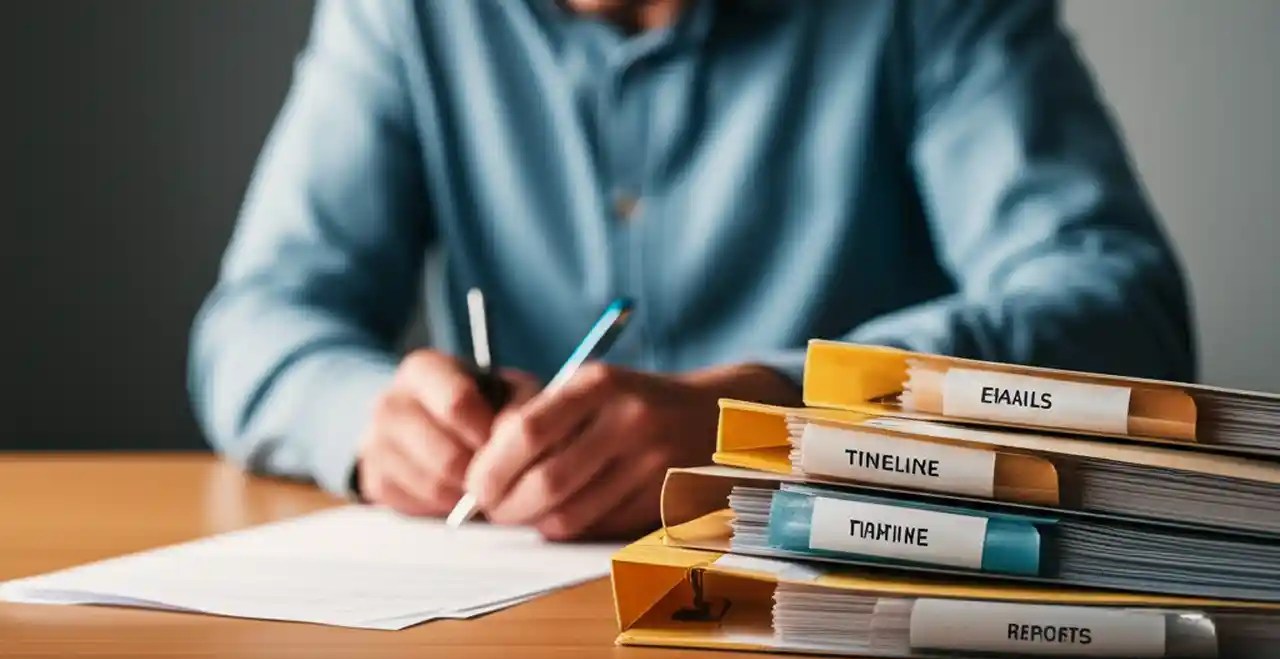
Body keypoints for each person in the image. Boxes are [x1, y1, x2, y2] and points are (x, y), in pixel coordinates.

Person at [190, 0, 1194, 541]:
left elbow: (1115, 307)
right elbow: (257, 322)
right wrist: (369, 421)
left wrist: (772, 416)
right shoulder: (405, 16)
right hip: (505, 630)